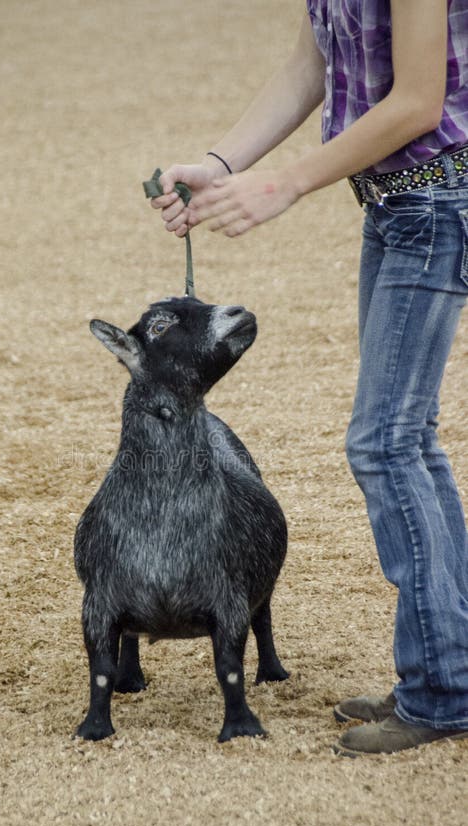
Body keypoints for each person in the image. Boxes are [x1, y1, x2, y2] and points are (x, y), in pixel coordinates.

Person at [151, 0, 468, 756]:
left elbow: (419, 101)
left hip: (439, 200)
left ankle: (444, 689)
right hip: (396, 206)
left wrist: (284, 185)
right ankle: (450, 668)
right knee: (406, 441)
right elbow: (310, 67)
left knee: (386, 443)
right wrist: (223, 164)